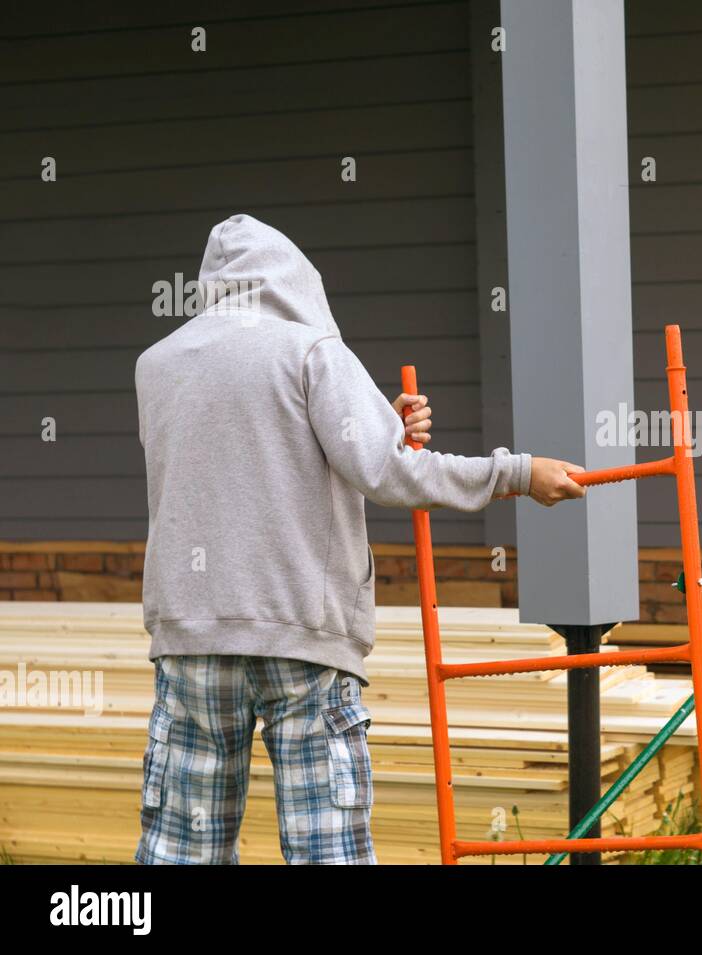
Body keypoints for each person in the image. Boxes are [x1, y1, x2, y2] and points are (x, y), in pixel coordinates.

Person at [132, 214, 584, 864]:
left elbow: (237, 461)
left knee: (181, 848)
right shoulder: (309, 350)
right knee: (328, 850)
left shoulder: (159, 364)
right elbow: (386, 470)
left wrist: (376, 420)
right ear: (294, 279)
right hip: (303, 640)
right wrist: (516, 473)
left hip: (192, 639)